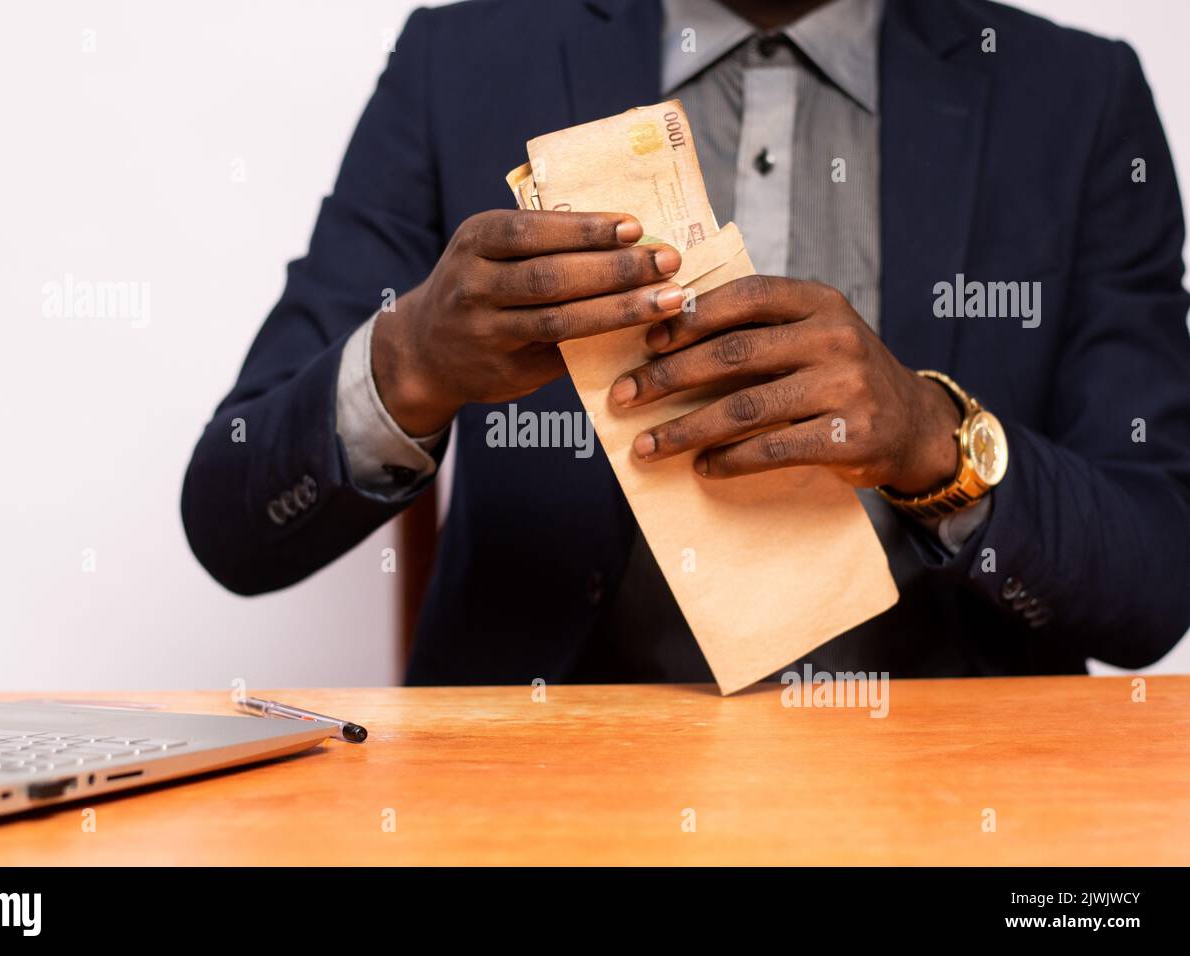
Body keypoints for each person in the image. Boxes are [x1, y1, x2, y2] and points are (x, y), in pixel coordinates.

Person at [181, 0, 1190, 684]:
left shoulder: (1075, 99)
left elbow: (1155, 579)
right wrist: (408, 367)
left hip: (949, 803)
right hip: (543, 808)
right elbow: (232, 523)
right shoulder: (464, 63)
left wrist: (935, 441)